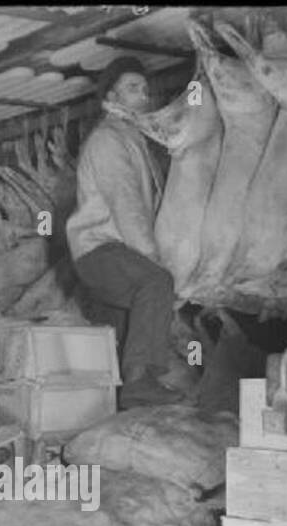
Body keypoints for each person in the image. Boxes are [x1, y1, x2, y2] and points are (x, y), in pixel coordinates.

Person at [67, 57, 198, 408]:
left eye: (144, 89)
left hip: (110, 251)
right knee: (155, 283)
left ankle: (121, 402)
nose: (142, 95)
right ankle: (140, 382)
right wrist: (152, 258)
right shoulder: (109, 139)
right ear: (112, 95)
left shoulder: (132, 137)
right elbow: (127, 204)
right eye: (132, 88)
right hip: (100, 248)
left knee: (127, 324)